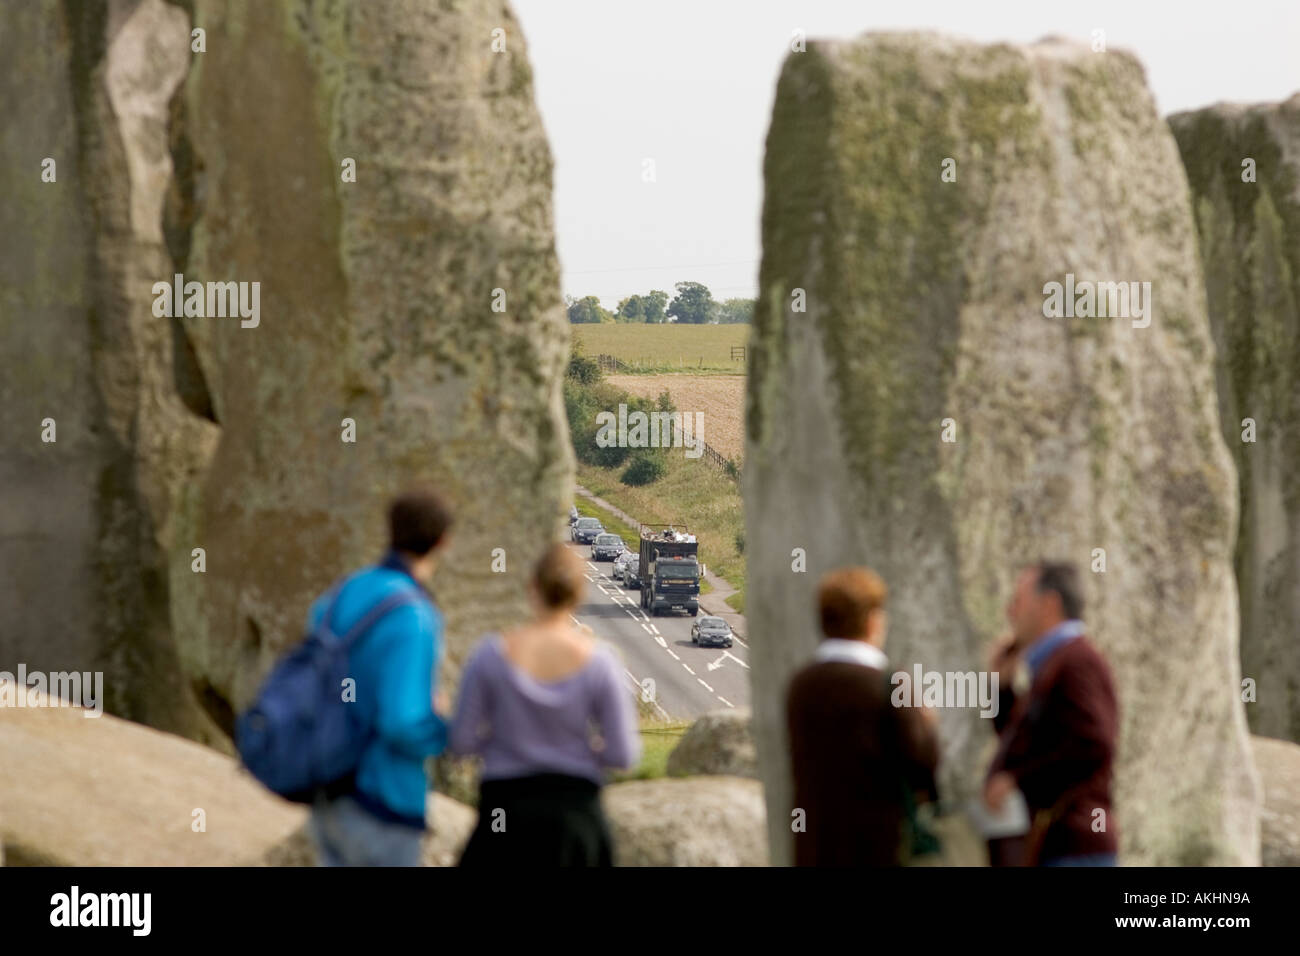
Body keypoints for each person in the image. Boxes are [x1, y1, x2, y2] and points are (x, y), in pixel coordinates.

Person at [450, 542, 641, 866]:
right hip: (575, 815)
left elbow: (461, 742)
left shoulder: (490, 654)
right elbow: (623, 755)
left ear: (532, 588)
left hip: (504, 812)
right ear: (579, 594)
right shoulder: (600, 662)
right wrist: (582, 749)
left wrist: (503, 743)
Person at [307, 487, 454, 866]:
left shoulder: (341, 594)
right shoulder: (414, 615)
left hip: (328, 791)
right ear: (442, 541)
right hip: (383, 798)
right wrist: (445, 729)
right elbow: (402, 722)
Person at [786, 567, 939, 866]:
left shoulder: (800, 685)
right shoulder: (891, 684)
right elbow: (924, 764)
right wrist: (927, 720)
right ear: (872, 620)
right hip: (878, 846)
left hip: (815, 848)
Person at [984, 561, 1119, 866]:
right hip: (1056, 846)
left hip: (1075, 846)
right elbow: (1022, 744)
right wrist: (999, 688)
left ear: (1048, 604)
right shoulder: (1054, 664)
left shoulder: (1077, 661)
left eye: (1019, 601)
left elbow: (1094, 744)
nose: (1011, 612)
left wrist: (1016, 781)